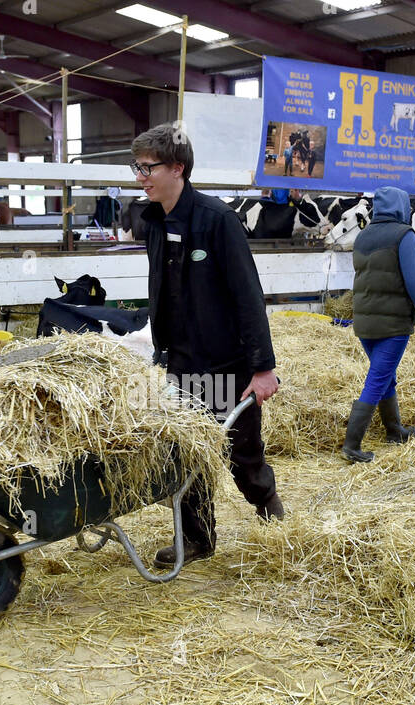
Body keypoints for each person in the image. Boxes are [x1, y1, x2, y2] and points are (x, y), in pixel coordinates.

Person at [133, 121, 283, 569]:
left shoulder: (218, 222)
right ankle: (197, 539)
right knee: (184, 455)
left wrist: (263, 368)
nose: (141, 176)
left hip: (228, 365)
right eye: (136, 167)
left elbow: (248, 296)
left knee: (242, 454)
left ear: (177, 168)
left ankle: (275, 519)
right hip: (182, 362)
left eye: (148, 167)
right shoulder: (155, 223)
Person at [342, 185, 415, 463]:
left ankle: (395, 430)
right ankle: (352, 444)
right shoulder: (404, 235)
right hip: (393, 325)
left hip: (364, 323)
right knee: (377, 378)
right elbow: (413, 281)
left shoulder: (363, 236)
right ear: (400, 207)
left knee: (385, 375)